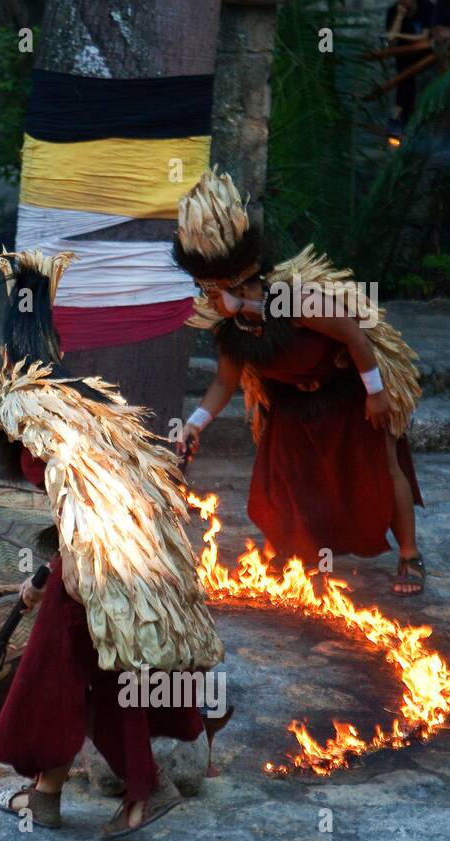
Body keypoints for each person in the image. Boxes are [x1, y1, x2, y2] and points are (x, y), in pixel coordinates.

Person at [0, 250, 225, 841]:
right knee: (98, 671)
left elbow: (88, 501)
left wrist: (62, 574)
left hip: (99, 567)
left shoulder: (27, 405)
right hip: (112, 558)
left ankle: (128, 794)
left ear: (9, 345)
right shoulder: (82, 397)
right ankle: (67, 795)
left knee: (60, 673)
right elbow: (85, 501)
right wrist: (49, 574)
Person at [173, 169, 426, 595]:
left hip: (351, 394)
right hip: (292, 404)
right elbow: (223, 381)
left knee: (382, 471)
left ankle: (409, 554)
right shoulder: (231, 325)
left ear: (238, 282)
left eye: (213, 291)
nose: (210, 301)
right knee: (280, 483)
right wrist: (195, 423)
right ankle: (290, 554)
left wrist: (378, 395)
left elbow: (354, 335)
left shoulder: (293, 300)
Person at [384, 0, 434, 130]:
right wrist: (399, 17)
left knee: (408, 75)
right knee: (406, 74)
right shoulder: (393, 11)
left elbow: (424, 37)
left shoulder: (427, 8)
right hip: (404, 56)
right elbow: (391, 42)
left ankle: (399, 112)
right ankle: (401, 116)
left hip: (427, 55)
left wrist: (399, 35)